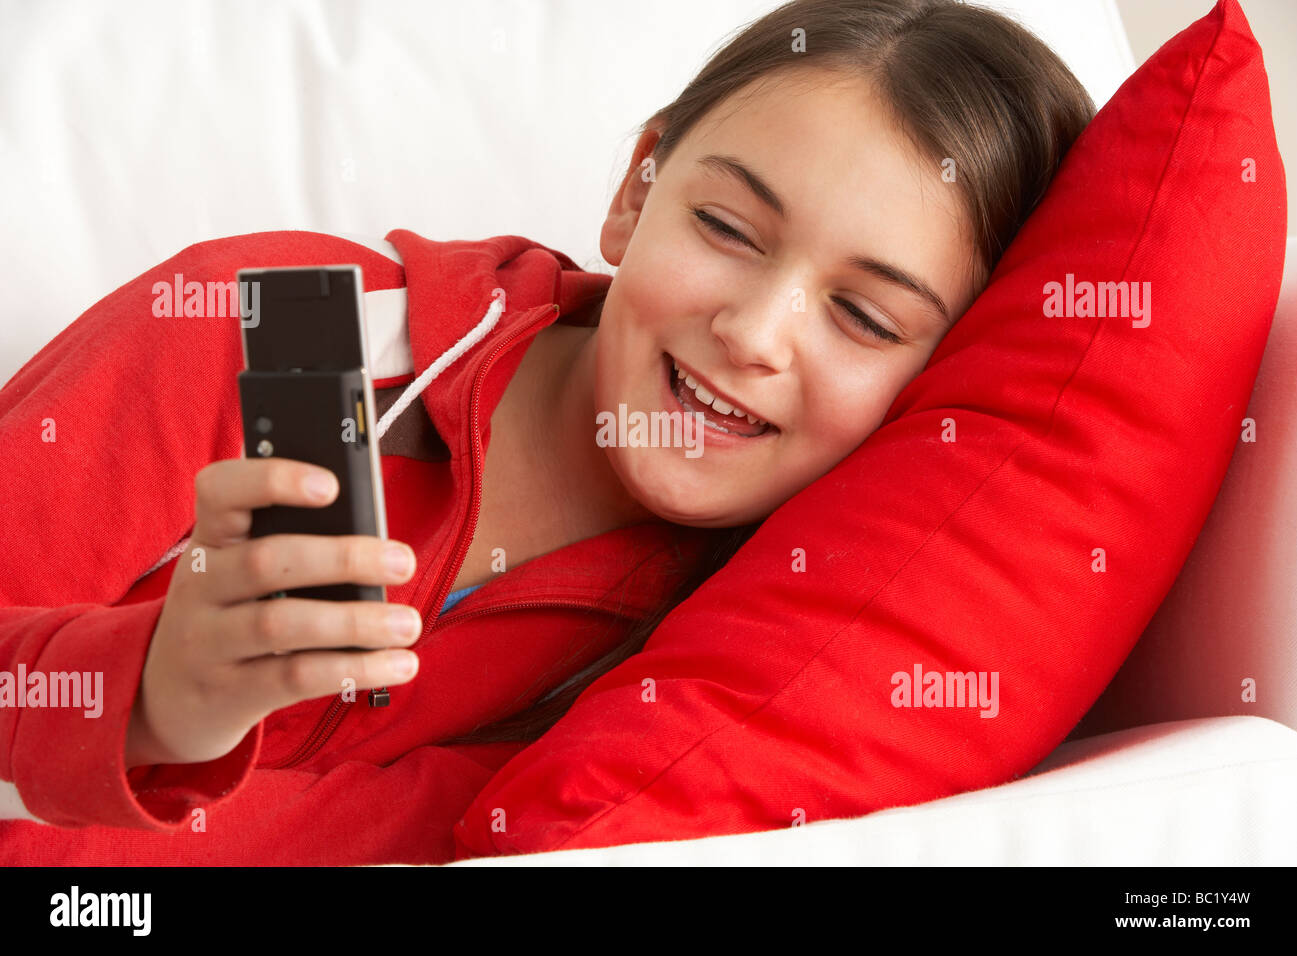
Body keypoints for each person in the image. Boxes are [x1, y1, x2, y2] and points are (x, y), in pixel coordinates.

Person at [0, 0, 1095, 864]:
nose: (753, 331)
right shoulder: (278, 327)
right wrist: (142, 695)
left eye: (864, 316)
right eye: (725, 227)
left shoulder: (717, 659)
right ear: (635, 189)